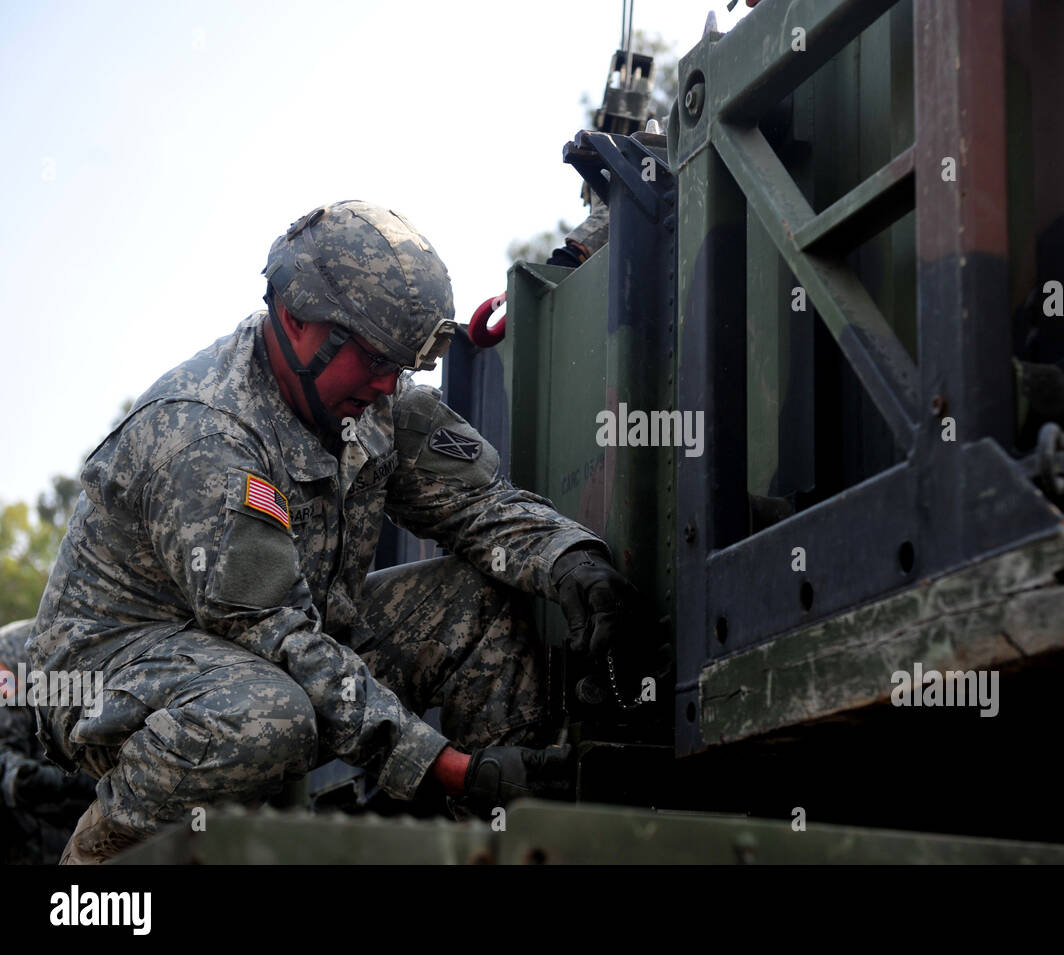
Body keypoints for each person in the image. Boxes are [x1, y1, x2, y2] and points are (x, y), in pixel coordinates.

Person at [30, 200, 637, 864]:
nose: (387, 384)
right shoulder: (203, 434)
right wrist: (450, 764)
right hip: (117, 672)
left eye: (401, 365)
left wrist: (569, 557)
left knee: (476, 601)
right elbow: (279, 638)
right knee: (266, 713)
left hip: (277, 642)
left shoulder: (373, 398)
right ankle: (101, 862)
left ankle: (507, 841)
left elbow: (480, 506)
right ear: (296, 320)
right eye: (375, 358)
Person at [0, 619, 97, 864]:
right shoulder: (10, 656)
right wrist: (80, 780)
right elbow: (13, 769)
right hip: (38, 822)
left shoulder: (100, 639)